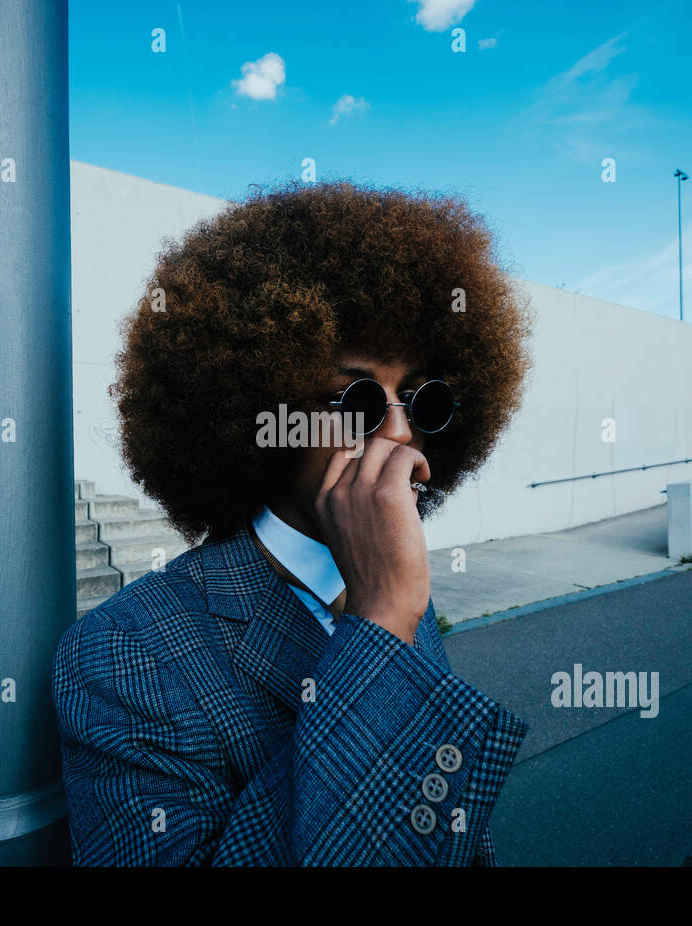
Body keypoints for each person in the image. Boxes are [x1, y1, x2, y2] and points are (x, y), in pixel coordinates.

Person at [52, 179, 532, 865]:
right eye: (356, 399)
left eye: (422, 400)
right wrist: (381, 620)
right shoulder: (124, 655)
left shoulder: (397, 588)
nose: (399, 434)